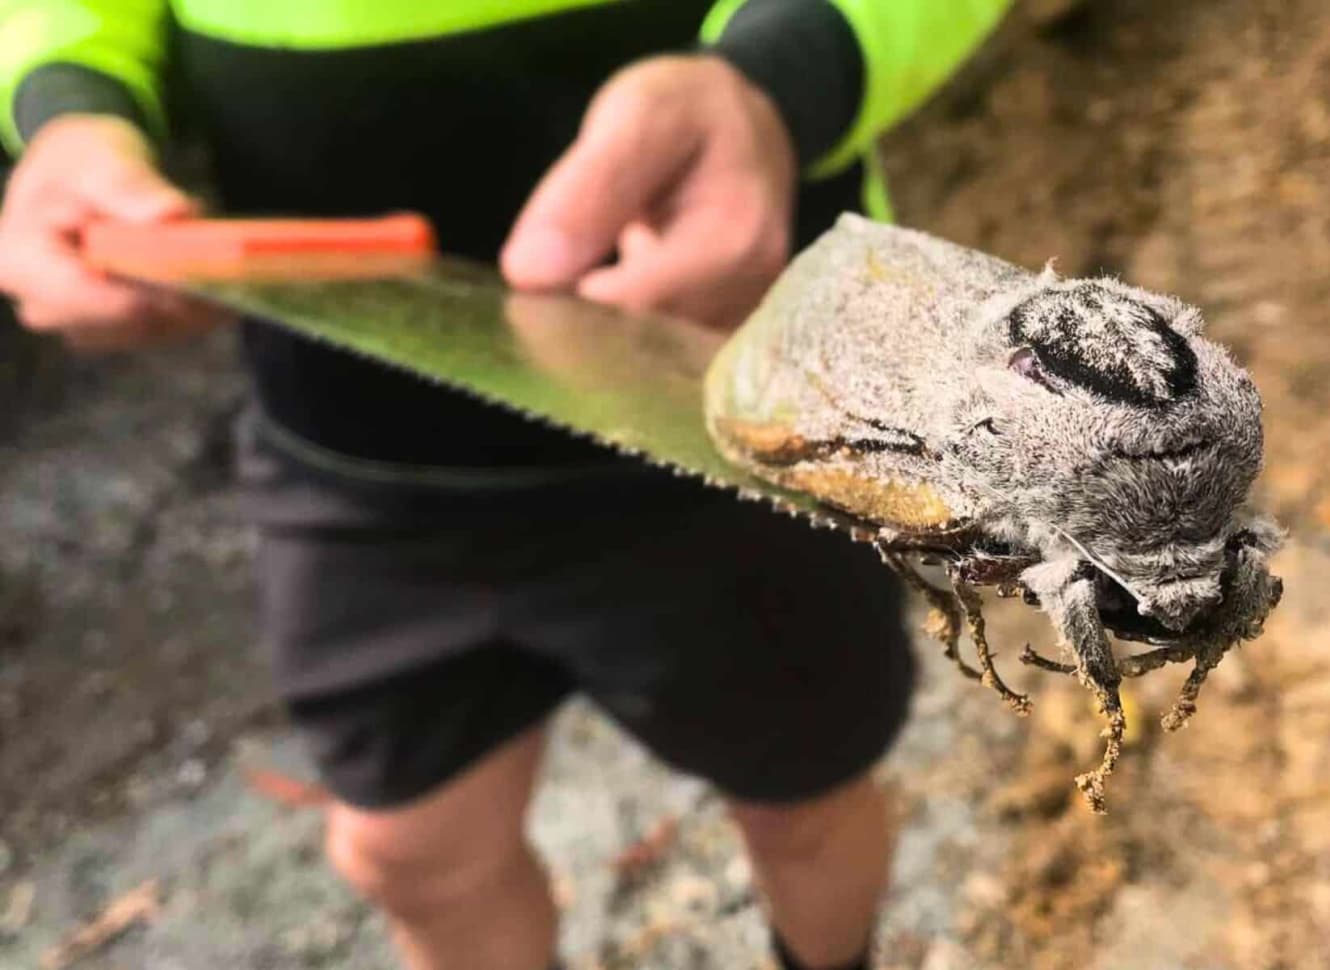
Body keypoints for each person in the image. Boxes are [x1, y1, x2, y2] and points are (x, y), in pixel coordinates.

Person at [0, 2, 1009, 968]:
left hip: (733, 413)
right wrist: (68, 105)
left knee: (807, 797)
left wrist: (783, 74)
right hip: (352, 452)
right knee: (414, 858)